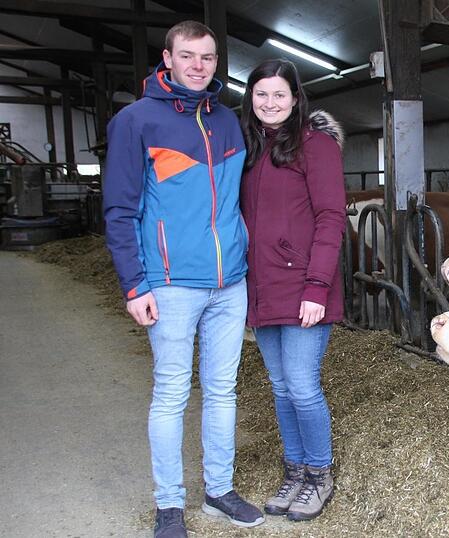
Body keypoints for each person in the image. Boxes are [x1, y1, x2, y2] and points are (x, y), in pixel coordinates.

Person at [103, 20, 264, 538]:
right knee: (171, 392)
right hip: (169, 282)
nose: (199, 66)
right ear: (167, 59)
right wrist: (134, 284)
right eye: (189, 56)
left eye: (209, 58)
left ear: (218, 63)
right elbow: (120, 209)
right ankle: (169, 505)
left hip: (229, 282)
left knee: (223, 390)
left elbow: (242, 198)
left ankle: (219, 490)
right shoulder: (136, 121)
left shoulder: (228, 122)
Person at [239, 58, 346, 521]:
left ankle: (319, 474)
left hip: (304, 286)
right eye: (261, 94)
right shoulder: (247, 147)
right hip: (261, 286)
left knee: (302, 386)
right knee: (281, 387)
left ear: (296, 97)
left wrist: (317, 287)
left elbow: (331, 217)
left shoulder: (316, 145)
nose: (270, 102)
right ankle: (296, 470)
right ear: (251, 99)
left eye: (279, 94)